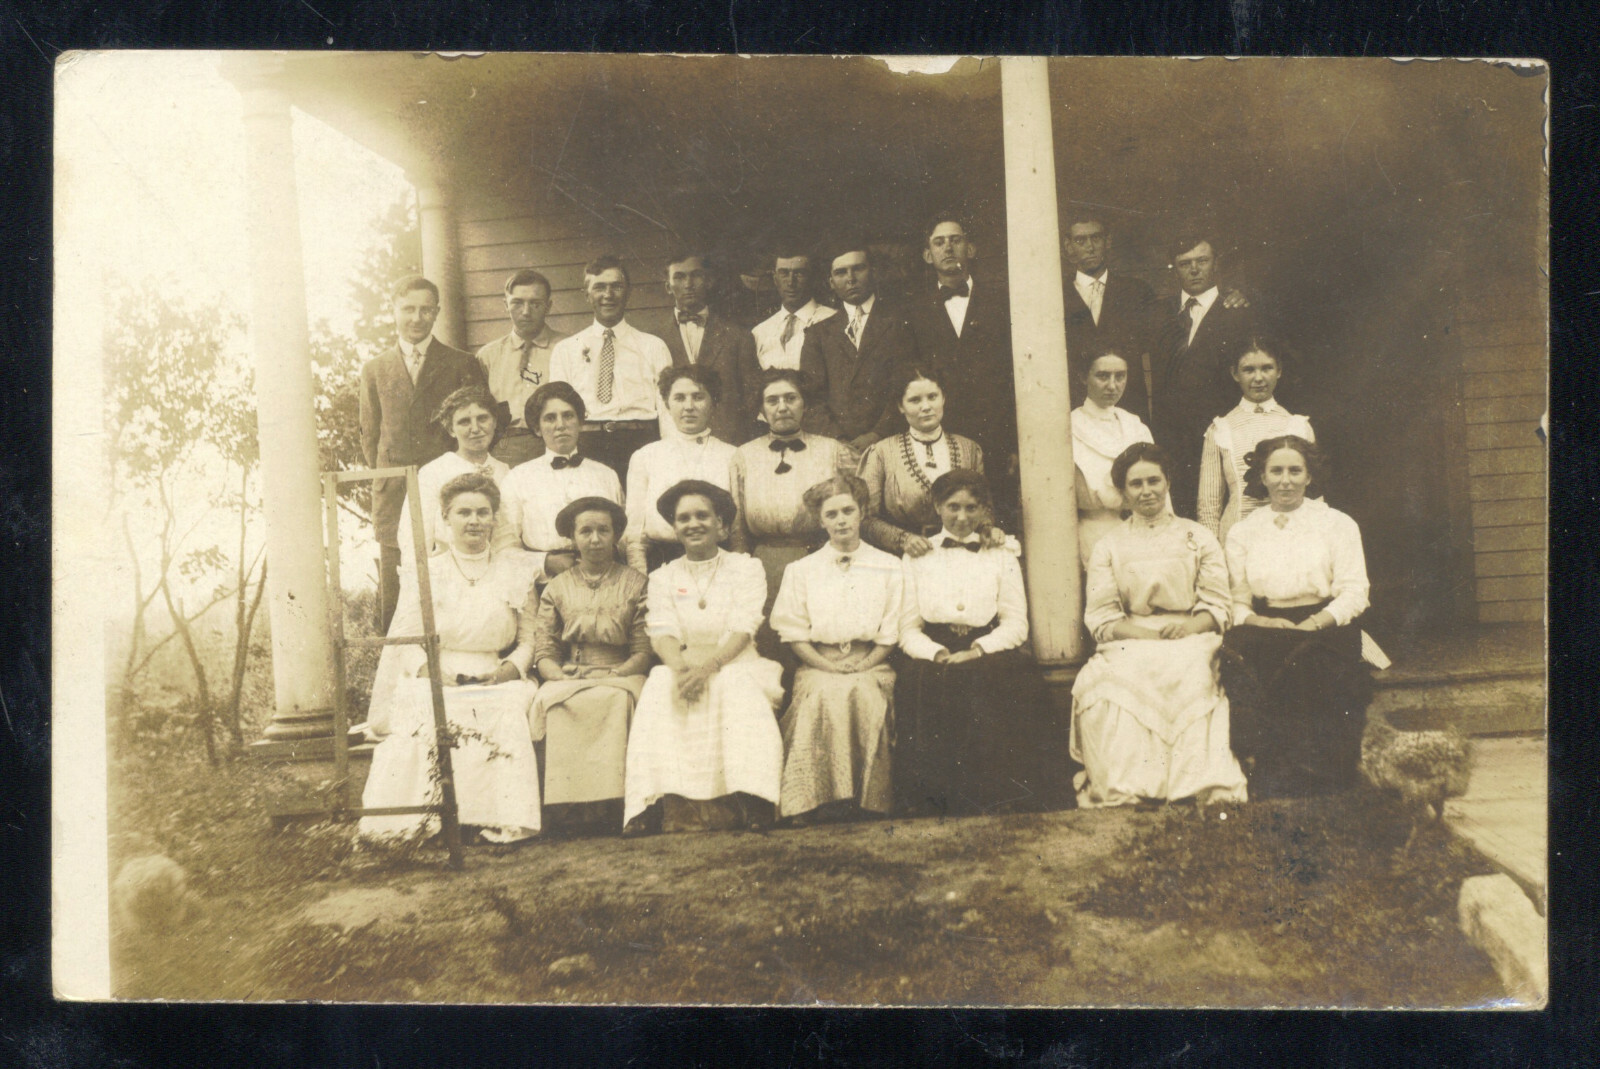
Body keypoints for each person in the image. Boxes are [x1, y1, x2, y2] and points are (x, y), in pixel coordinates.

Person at [359, 473, 543, 845]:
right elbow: (407, 639)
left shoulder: (514, 570)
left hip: (496, 675)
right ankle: (424, 819)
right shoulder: (427, 572)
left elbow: (530, 639)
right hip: (437, 673)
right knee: (423, 705)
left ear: (495, 519)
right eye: (464, 513)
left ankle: (493, 817)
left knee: (509, 707)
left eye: (482, 512)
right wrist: (434, 671)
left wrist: (511, 669)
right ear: (446, 518)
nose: (474, 521)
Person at [1069, 443, 1248, 809]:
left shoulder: (1197, 536)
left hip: (1192, 632)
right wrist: (1145, 634)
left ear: (1168, 483)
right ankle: (1128, 783)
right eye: (1136, 484)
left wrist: (1190, 627)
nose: (1146, 491)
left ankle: (1195, 782)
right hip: (1131, 635)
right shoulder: (1109, 545)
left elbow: (1218, 603)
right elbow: (1102, 616)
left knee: (1192, 670)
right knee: (1110, 679)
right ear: (1123, 491)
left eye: (1154, 480)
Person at [623, 481, 785, 834]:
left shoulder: (746, 568)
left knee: (735, 685)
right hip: (683, 664)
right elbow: (662, 630)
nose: (693, 523)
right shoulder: (663, 576)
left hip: (736, 661)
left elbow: (744, 627)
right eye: (683, 518)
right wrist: (682, 670)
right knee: (658, 685)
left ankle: (753, 799)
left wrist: (708, 668)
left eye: (702, 515)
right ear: (675, 528)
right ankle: (649, 804)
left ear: (721, 524)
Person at [895, 470, 1059, 817]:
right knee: (921, 682)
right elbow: (907, 628)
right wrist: (936, 652)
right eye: (952, 507)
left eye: (972, 508)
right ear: (937, 506)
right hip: (933, 650)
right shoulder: (917, 556)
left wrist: (978, 649)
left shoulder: (1001, 553)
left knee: (998, 680)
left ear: (984, 510)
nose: (962, 517)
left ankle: (1000, 797)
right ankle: (936, 802)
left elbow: (1016, 622)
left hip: (987, 646)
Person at [1222, 435, 1372, 798]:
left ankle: (1325, 776)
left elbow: (1355, 591)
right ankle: (1273, 771)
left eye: (1295, 470)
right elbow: (1236, 600)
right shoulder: (1243, 531)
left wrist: (1315, 623)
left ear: (1309, 476)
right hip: (1267, 625)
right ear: (1262, 476)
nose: (1285, 480)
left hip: (1325, 625)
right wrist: (1263, 622)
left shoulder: (1337, 523)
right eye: (1276, 471)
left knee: (1317, 666)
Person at [769, 474, 903, 824]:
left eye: (848, 511)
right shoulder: (801, 570)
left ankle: (868, 800)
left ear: (862, 513)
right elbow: (793, 631)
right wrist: (827, 666)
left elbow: (891, 630)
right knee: (821, 696)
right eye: (832, 514)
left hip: (870, 661)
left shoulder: (889, 566)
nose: (841, 520)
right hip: (819, 662)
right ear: (820, 520)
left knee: (865, 694)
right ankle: (812, 800)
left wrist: (865, 663)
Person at [359, 275, 488, 630]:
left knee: (453, 572)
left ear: (437, 312)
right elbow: (371, 438)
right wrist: (389, 476)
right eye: (408, 309)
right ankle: (397, 673)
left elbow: (474, 427)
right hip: (394, 493)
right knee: (396, 584)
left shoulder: (462, 364)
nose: (417, 318)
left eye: (425, 310)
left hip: (448, 488)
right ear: (393, 311)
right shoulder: (374, 370)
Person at [526, 497, 651, 834]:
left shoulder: (636, 583)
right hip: (570, 672)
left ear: (615, 536)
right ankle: (567, 814)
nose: (595, 539)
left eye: (603, 531)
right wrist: (558, 675)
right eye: (586, 531)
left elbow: (642, 650)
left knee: (614, 700)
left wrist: (617, 674)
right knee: (555, 703)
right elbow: (545, 651)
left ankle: (613, 810)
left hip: (622, 672)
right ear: (573, 538)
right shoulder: (557, 587)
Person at [729, 369, 860, 636]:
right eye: (772, 401)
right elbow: (737, 525)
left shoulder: (833, 450)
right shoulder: (744, 455)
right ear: (761, 409)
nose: (782, 407)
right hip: (765, 563)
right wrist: (744, 571)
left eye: (791, 398)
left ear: (805, 404)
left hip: (820, 558)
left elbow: (855, 512)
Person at [903, 214, 1018, 512]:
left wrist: (1014, 441)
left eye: (956, 240)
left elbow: (1014, 373)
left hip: (996, 432)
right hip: (942, 431)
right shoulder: (914, 309)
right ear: (928, 255)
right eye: (939, 242)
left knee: (997, 512)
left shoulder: (1002, 302)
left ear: (971, 249)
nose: (948, 248)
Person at [1150, 230, 1258, 519]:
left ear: (1216, 262)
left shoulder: (1238, 311)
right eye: (1185, 263)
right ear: (1174, 268)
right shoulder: (1159, 313)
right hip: (1170, 441)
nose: (1195, 269)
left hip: (1219, 437)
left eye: (1202, 260)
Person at [548, 255, 674, 485]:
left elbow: (668, 411)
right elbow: (560, 411)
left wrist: (667, 457)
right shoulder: (566, 350)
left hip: (642, 441)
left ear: (628, 292)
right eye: (599, 287)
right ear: (587, 295)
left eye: (616, 287)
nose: (608, 295)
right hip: (588, 443)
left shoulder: (653, 346)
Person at [496, 381, 624, 583]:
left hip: (604, 580)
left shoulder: (606, 475)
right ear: (537, 428)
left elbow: (621, 539)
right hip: (545, 582)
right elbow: (503, 548)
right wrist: (545, 563)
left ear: (580, 422)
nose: (560, 425)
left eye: (568, 415)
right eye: (550, 418)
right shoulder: (517, 478)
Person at [857, 369, 995, 557]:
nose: (926, 406)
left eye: (932, 397)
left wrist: (988, 529)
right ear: (900, 406)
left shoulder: (969, 449)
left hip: (962, 554)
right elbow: (865, 519)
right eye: (915, 400)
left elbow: (983, 508)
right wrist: (904, 540)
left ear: (943, 398)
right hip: (904, 558)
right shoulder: (881, 453)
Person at [798, 242, 917, 452]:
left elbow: (908, 386)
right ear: (831, 282)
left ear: (873, 272)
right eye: (841, 272)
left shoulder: (901, 323)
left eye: (858, 269)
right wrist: (838, 440)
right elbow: (811, 398)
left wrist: (877, 434)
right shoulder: (818, 334)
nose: (850, 279)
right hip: (837, 447)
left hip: (893, 441)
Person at [1197, 337, 1315, 545]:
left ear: (1279, 371)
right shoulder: (1220, 428)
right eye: (1249, 370)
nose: (1258, 378)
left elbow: (1313, 496)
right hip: (1236, 536)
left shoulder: (1297, 426)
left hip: (1292, 536)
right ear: (1235, 374)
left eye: (1267, 368)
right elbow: (1209, 504)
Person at [624, 365, 738, 574]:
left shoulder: (732, 456)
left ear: (713, 402)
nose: (689, 406)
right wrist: (641, 580)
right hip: (661, 563)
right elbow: (634, 534)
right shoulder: (645, 456)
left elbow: (738, 530)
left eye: (698, 397)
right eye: (679, 398)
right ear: (667, 404)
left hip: (719, 565)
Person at [646, 250, 757, 445]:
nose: (688, 284)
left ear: (709, 282)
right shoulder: (651, 340)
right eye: (679, 277)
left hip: (726, 442)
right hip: (672, 445)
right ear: (668, 287)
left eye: (696, 276)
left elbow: (751, 398)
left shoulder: (738, 336)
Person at [396, 385, 512, 568]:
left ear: (495, 422)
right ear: (451, 429)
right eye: (464, 422)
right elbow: (414, 538)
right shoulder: (433, 472)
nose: (475, 429)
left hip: (497, 569)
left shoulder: (504, 471)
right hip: (449, 572)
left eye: (482, 418)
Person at [1061, 211, 1156, 422]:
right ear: (1068, 247)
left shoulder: (1137, 292)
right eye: (1080, 240)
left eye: (1095, 238)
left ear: (1107, 242)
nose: (1089, 247)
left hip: (1128, 411)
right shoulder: (1056, 295)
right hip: (1075, 413)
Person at [1070, 351, 1156, 566]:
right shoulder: (1070, 426)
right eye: (1102, 376)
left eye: (1120, 376)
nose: (1112, 385)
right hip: (1097, 533)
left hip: (1144, 531)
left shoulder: (1135, 426)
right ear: (1084, 377)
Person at [477, 268, 568, 467]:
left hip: (553, 444)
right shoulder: (488, 356)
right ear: (505, 305)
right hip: (504, 448)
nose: (526, 312)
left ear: (548, 306)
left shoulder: (568, 348)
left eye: (535, 304)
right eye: (517, 303)